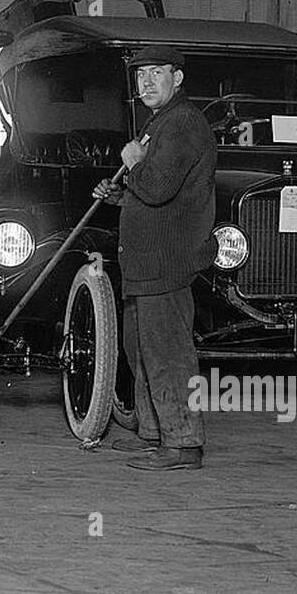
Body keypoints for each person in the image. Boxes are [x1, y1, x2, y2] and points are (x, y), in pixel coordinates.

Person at [91, 45, 218, 471]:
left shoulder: (182, 123)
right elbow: (152, 194)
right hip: (144, 263)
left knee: (168, 353)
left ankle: (183, 444)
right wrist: (121, 194)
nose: (145, 82)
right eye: (141, 74)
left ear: (177, 78)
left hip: (167, 261)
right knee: (141, 350)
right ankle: (154, 434)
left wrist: (134, 162)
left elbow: (161, 186)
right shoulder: (161, 121)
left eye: (156, 73)